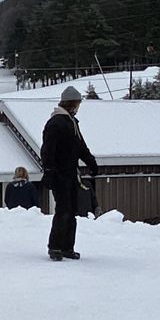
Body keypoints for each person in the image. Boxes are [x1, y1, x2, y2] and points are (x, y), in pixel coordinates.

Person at [41, 86, 98, 261]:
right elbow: (47, 150)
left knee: (72, 211)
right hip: (59, 174)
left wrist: (91, 162)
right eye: (78, 103)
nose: (78, 107)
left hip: (72, 174)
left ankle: (67, 247)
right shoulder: (56, 123)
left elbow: (80, 147)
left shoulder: (72, 122)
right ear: (72, 103)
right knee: (63, 211)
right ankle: (55, 247)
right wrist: (49, 170)